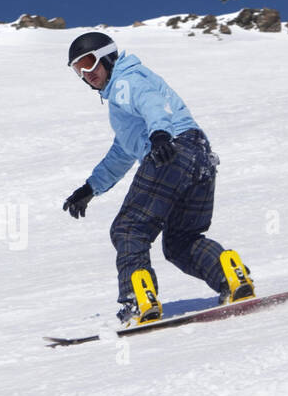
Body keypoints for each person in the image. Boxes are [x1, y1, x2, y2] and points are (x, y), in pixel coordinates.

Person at [61, 31, 254, 325]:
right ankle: (230, 274)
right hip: (199, 156)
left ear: (107, 56)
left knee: (128, 230)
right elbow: (122, 153)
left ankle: (138, 301)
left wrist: (161, 133)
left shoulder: (125, 81)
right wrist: (90, 188)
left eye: (89, 63)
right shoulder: (120, 100)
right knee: (180, 241)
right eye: (78, 69)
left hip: (170, 151)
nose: (87, 74)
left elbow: (152, 103)